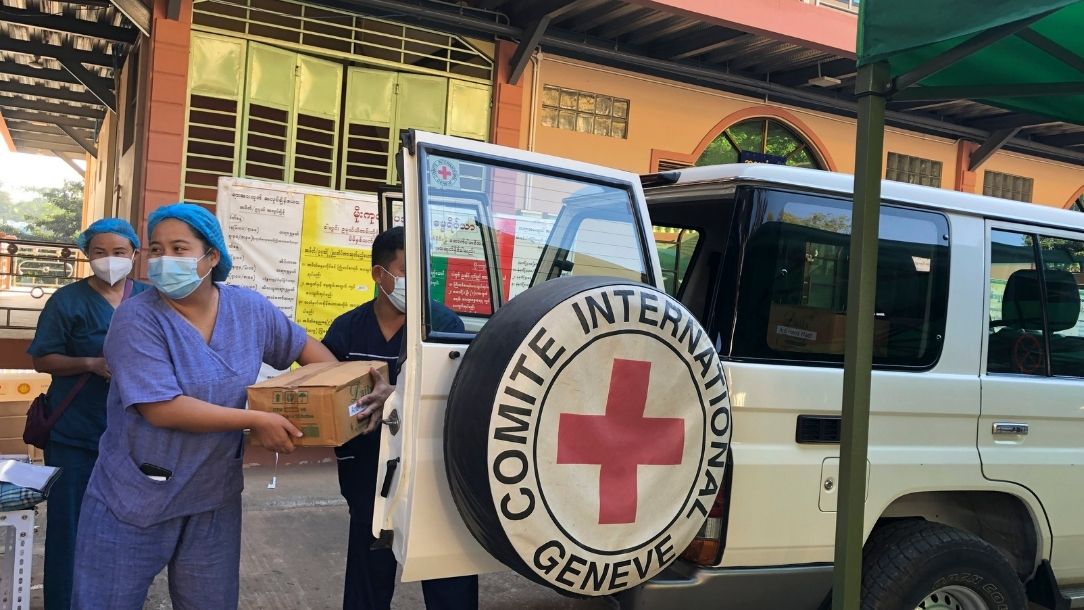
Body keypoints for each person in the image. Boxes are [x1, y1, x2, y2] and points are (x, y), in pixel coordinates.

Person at [69, 203, 338, 610]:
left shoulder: (249, 310)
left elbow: (314, 356)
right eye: (156, 250)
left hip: (212, 496)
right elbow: (162, 408)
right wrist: (258, 419)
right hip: (135, 495)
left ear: (212, 257)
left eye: (180, 248)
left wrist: (328, 401)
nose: (164, 260)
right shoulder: (136, 318)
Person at [323, 226, 478, 610]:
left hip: (430, 477)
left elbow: (457, 400)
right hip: (367, 477)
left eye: (424, 270)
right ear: (380, 275)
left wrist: (399, 397)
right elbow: (324, 391)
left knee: (446, 577)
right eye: (407, 270)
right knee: (367, 581)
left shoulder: (444, 327)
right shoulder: (346, 331)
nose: (419, 281)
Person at [28, 218, 148, 610]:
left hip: (133, 436)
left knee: (126, 529)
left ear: (134, 253)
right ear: (87, 256)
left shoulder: (149, 297)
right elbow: (42, 359)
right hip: (74, 435)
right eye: (99, 252)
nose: (109, 260)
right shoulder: (67, 301)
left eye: (118, 252)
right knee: (69, 529)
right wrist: (91, 363)